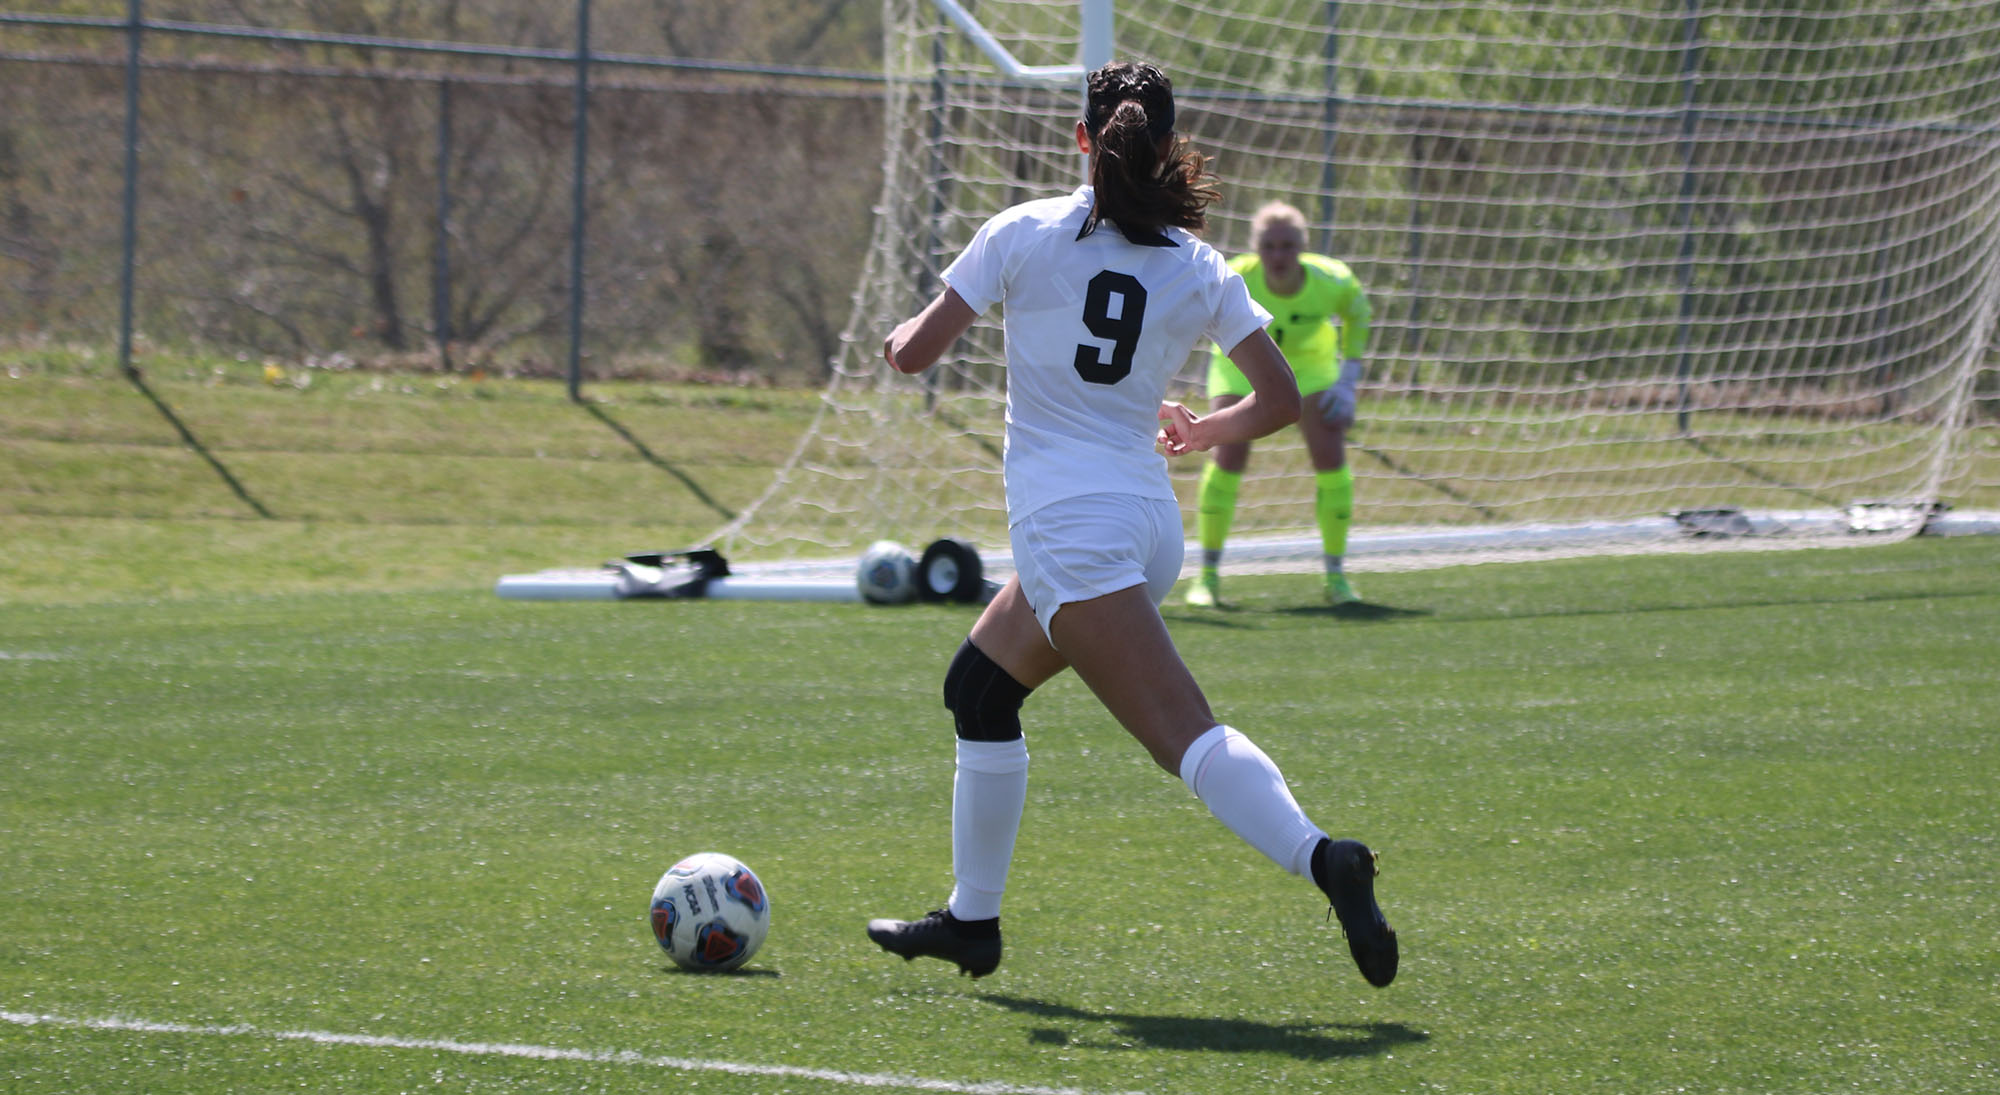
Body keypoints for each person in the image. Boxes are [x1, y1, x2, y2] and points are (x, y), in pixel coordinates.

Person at [867, 61, 1397, 989]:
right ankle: (972, 921)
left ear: (1083, 138)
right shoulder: (1197, 263)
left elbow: (912, 356)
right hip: (1145, 524)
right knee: (979, 691)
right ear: (1168, 149)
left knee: (1182, 736)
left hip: (1073, 530)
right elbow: (1280, 400)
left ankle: (1324, 856)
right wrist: (1202, 430)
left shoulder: (1022, 230)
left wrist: (897, 336)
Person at [1184, 201, 1373, 607]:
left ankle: (1336, 577)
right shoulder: (1235, 275)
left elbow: (1358, 312)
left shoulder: (1332, 279)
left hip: (1311, 369)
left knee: (1330, 453)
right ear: (1256, 249)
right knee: (1227, 453)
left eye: (1288, 246)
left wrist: (1348, 380)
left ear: (1302, 247)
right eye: (1269, 246)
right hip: (1241, 368)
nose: (1278, 255)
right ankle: (1207, 577)